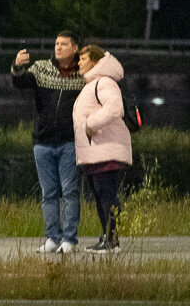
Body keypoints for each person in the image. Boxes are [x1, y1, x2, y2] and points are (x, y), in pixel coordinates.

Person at [11, 30, 86, 253]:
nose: (58, 47)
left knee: (70, 192)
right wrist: (17, 67)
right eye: (56, 43)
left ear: (75, 48)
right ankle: (53, 237)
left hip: (69, 142)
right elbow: (20, 83)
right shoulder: (42, 68)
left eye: (63, 44)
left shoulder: (83, 74)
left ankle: (69, 240)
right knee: (49, 193)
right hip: (42, 141)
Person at [71, 43, 132, 253]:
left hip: (106, 151)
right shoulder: (92, 83)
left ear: (95, 62)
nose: (78, 62)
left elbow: (115, 109)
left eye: (83, 59)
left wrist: (89, 124)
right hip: (96, 152)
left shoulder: (105, 82)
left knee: (106, 195)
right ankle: (107, 237)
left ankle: (112, 240)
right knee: (100, 196)